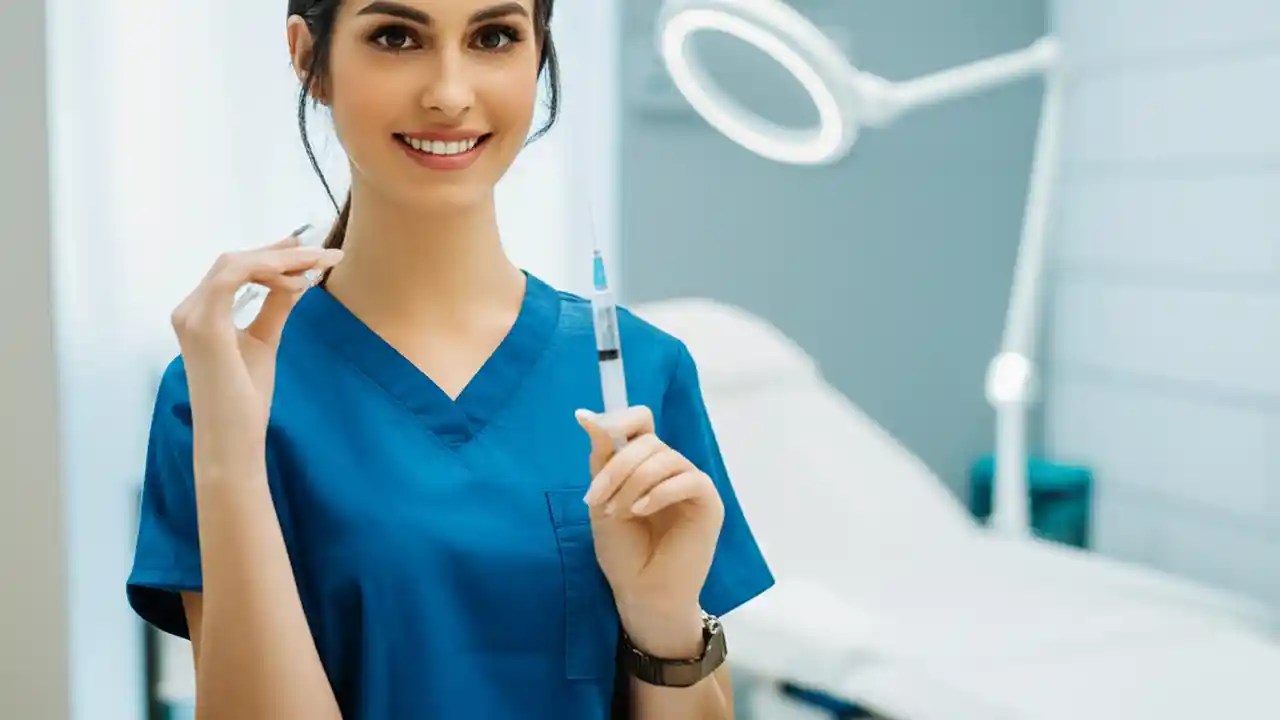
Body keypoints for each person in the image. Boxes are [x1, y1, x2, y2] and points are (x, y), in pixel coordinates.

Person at [125, 1, 775, 718]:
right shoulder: (223, 388)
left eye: (493, 37)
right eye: (395, 37)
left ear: (538, 55)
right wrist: (233, 465)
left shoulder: (644, 372)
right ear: (309, 57)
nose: (449, 93)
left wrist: (663, 620)